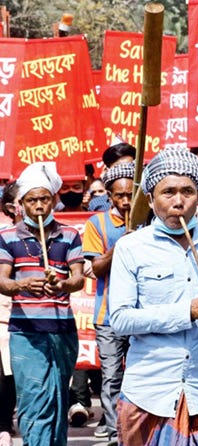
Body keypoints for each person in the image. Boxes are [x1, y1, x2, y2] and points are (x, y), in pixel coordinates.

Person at [108, 149, 198, 445]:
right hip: (148, 391)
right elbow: (120, 320)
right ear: (151, 199)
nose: (178, 201)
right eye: (168, 192)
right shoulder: (131, 247)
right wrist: (187, 311)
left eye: (187, 191)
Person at [0, 162, 85, 446]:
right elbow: (2, 281)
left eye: (44, 199)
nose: (38, 206)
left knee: (58, 399)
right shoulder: (7, 237)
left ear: (54, 200)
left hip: (62, 330)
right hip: (26, 332)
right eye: (32, 200)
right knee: (33, 400)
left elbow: (78, 279)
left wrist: (62, 284)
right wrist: (21, 285)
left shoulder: (69, 235)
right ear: (21, 204)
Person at [81, 162, 135, 441]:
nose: (125, 201)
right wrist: (120, 246)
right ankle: (116, 433)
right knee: (112, 377)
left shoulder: (149, 222)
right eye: (120, 195)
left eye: (130, 195)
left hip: (142, 315)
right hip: (108, 316)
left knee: (138, 376)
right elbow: (96, 268)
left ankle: (136, 431)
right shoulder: (97, 223)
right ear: (110, 196)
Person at [0, 182, 20, 446]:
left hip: (30, 310)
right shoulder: (4, 235)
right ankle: (3, 425)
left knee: (14, 371)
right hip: (3, 309)